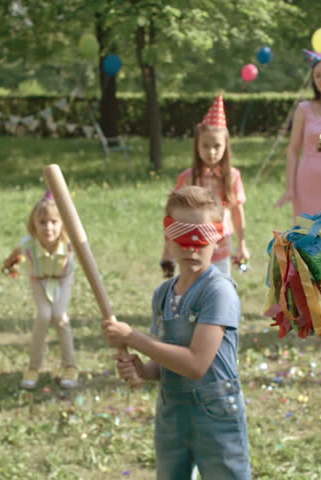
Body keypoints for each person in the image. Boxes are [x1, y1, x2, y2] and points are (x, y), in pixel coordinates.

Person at [104, 186, 251, 479]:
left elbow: (196, 364)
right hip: (172, 415)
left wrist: (133, 338)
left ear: (217, 239)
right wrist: (144, 370)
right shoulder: (163, 294)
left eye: (201, 238)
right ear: (168, 238)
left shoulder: (218, 292)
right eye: (182, 237)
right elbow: (167, 361)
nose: (191, 248)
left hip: (216, 416)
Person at [162, 95, 249, 278]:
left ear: (226, 146)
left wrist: (242, 244)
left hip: (220, 243)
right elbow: (172, 216)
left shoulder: (232, 177)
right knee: (189, 285)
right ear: (197, 146)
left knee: (219, 283)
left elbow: (237, 212)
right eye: (205, 146)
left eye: (217, 146)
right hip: (190, 244)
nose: (211, 152)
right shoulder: (187, 178)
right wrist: (168, 250)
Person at [3, 191, 79, 390]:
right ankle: (33, 367)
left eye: (54, 221)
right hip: (39, 280)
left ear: (63, 223)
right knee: (44, 316)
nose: (49, 227)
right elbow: (15, 255)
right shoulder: (29, 243)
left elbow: (85, 252)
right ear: (33, 224)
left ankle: (70, 366)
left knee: (60, 316)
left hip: (63, 280)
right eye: (43, 222)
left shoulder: (69, 242)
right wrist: (10, 264)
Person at [275, 53, 321, 221]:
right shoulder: (304, 109)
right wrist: (289, 188)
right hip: (307, 181)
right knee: (307, 233)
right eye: (317, 76)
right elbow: (293, 150)